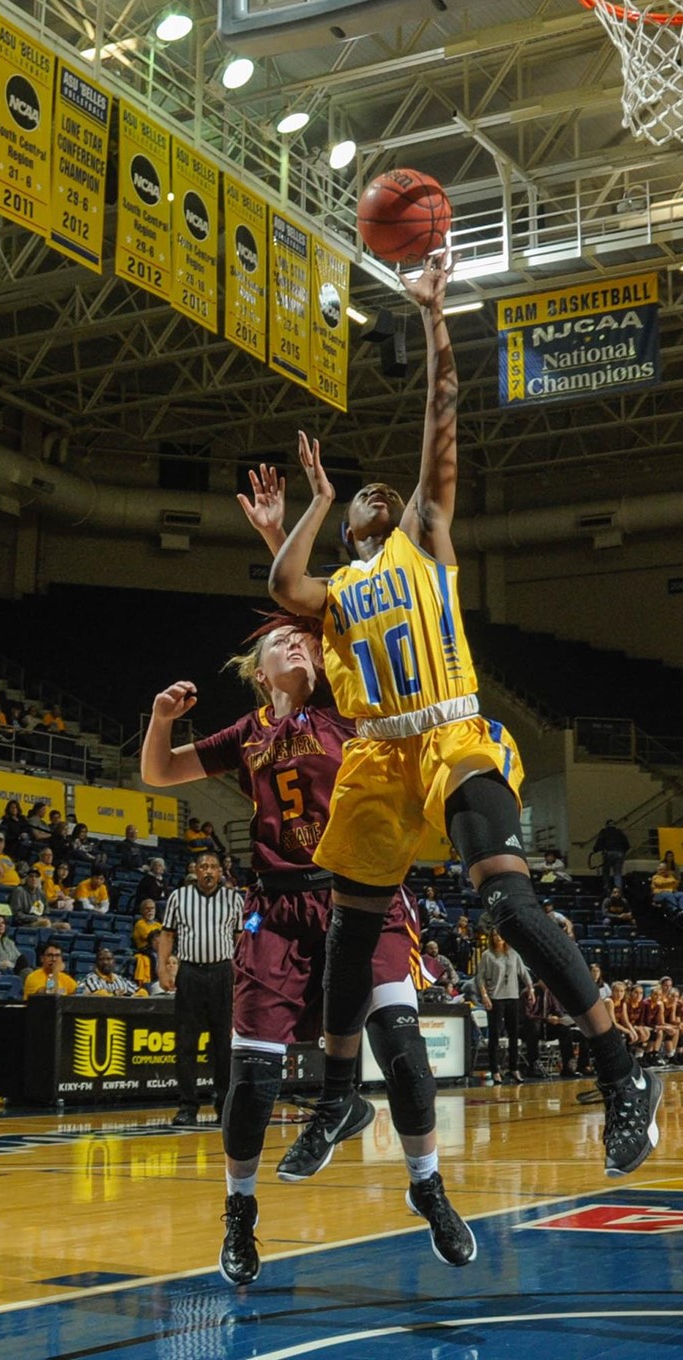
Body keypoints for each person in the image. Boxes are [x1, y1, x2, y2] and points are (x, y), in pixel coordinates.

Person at [262, 258, 659, 1184]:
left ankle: (618, 1066)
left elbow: (442, 424)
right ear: (348, 523)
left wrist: (437, 319)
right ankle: (335, 1092)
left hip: (452, 737)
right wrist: (312, 505)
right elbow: (283, 585)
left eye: (374, 492)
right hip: (377, 760)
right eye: (357, 495)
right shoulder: (342, 591)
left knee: (505, 899)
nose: (373, 493)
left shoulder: (424, 537)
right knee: (348, 935)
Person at [143, 612, 472, 1282]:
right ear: (259, 674)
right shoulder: (248, 733)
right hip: (277, 907)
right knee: (252, 1081)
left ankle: (428, 1186)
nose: (296, 645)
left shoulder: (349, 713)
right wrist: (160, 717)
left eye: (306, 641)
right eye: (278, 643)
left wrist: (284, 541)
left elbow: (337, 615)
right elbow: (158, 771)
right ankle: (239, 1213)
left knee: (406, 1058)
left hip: (362, 895)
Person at [154, 849, 241, 1128]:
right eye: (203, 866)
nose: (208, 871)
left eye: (213, 866)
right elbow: (167, 934)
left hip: (222, 972)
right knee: (186, 1042)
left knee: (223, 1044)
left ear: (220, 872)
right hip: (190, 972)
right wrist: (162, 967)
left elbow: (242, 938)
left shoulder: (234, 899)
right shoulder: (179, 897)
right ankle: (187, 1105)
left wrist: (242, 973)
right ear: (195, 870)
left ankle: (224, 1103)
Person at [475, 930, 532, 1084]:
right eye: (494, 935)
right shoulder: (488, 955)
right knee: (495, 1034)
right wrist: (484, 995)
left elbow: (523, 972)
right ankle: (495, 1070)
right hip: (495, 998)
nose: (498, 937)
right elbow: (479, 977)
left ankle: (514, 1068)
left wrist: (530, 988)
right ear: (491, 938)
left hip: (513, 997)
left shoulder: (513, 954)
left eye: (500, 935)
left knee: (514, 1034)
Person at [592, 819, 631, 890]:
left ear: (606, 825)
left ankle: (607, 889)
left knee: (606, 872)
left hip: (608, 853)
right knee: (617, 873)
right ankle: (618, 891)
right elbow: (627, 845)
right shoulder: (619, 832)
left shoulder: (604, 832)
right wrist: (623, 852)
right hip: (619, 853)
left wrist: (595, 850)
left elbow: (599, 843)